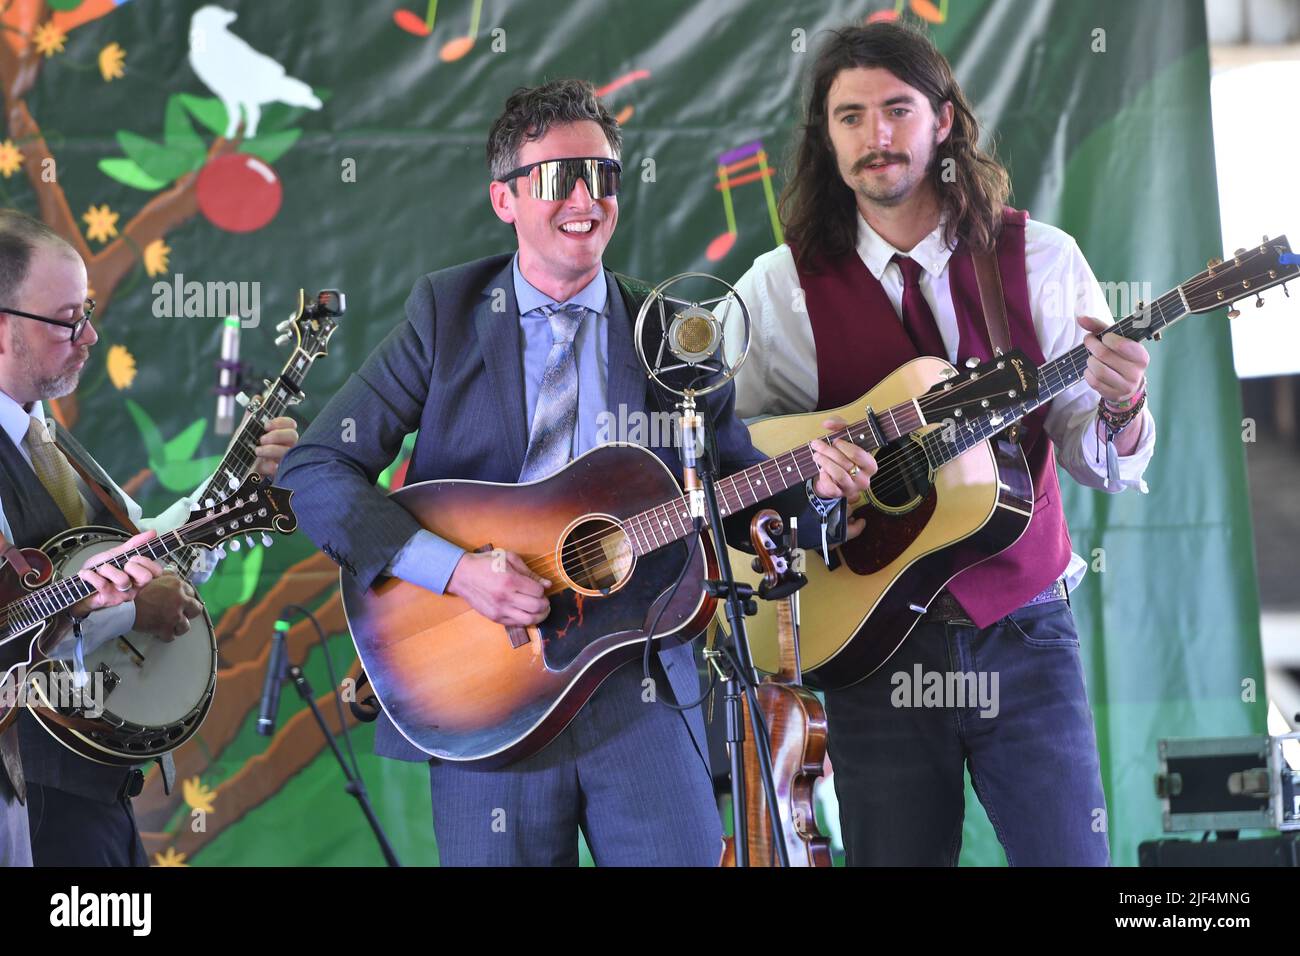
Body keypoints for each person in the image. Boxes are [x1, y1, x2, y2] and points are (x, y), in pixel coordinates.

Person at [276, 79, 872, 866]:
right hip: (488, 688)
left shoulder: (674, 333)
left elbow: (733, 488)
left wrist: (819, 495)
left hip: (643, 684)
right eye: (559, 178)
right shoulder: (445, 314)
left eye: (603, 176)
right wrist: (457, 573)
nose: (585, 198)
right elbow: (315, 467)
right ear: (504, 199)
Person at [721, 22, 1155, 866]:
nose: (875, 137)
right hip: (871, 641)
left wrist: (1123, 403)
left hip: (1024, 633)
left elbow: (1097, 456)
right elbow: (722, 452)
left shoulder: (1042, 260)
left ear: (944, 121)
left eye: (897, 110)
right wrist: (808, 476)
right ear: (827, 136)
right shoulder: (778, 289)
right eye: (849, 117)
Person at [0, 208, 298, 865]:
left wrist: (233, 487)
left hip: (93, 785)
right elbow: (11, 629)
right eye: (67, 318)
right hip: (30, 796)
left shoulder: (45, 434)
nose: (90, 335)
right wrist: (137, 607)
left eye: (89, 310)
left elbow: (145, 544)